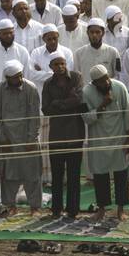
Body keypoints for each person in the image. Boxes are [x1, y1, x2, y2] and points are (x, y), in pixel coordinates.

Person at [0, 60, 43, 214]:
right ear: (7, 78)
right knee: (9, 176)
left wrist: (32, 139)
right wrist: (2, 138)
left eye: (20, 76)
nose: (19, 80)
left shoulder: (30, 88)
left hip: (28, 138)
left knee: (32, 175)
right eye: (15, 78)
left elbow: (34, 116)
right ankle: (10, 205)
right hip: (8, 140)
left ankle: (35, 206)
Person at [83, 64, 129, 222]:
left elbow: (128, 112)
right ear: (94, 83)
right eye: (101, 82)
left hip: (119, 137)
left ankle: (121, 209)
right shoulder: (86, 92)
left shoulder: (119, 87)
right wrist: (102, 105)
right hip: (99, 140)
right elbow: (86, 118)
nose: (105, 84)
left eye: (106, 80)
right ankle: (102, 209)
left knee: (121, 175)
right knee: (100, 175)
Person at [40, 53, 85, 219]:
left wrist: (57, 103)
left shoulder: (76, 77)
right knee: (57, 176)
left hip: (75, 132)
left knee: (74, 175)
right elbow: (45, 108)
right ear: (51, 67)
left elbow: (79, 100)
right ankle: (56, 209)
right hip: (56, 135)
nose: (60, 67)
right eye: (56, 64)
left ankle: (73, 210)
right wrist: (68, 102)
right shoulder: (48, 84)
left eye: (62, 63)